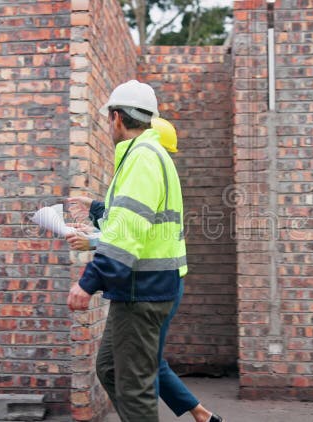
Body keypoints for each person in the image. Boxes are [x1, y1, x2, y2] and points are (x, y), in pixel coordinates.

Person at [66, 80, 217, 422]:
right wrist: (94, 207)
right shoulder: (148, 155)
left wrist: (88, 282)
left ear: (117, 117)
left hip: (142, 291)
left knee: (134, 386)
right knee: (111, 369)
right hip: (142, 288)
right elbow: (132, 216)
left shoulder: (142, 159)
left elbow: (127, 233)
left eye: (108, 119)